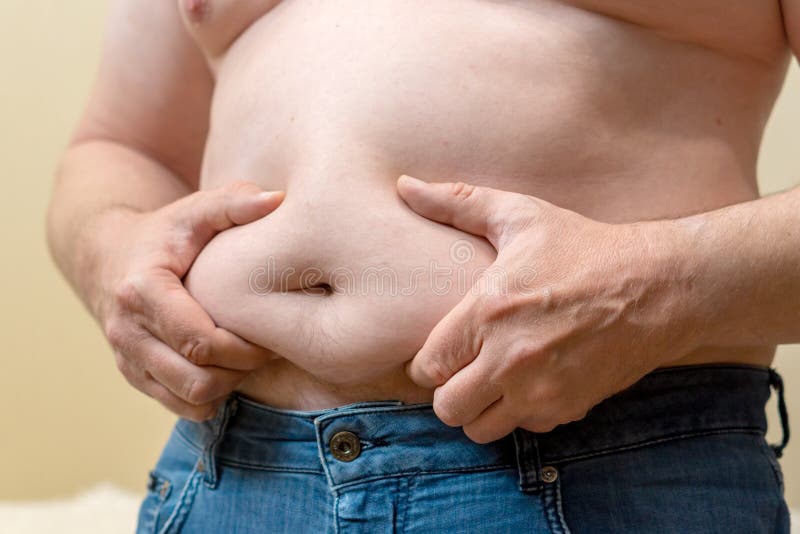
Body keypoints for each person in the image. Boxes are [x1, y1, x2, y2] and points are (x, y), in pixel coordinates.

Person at [47, 1, 800, 532]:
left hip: (595, 471)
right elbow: (122, 146)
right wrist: (110, 248)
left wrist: (656, 287)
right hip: (229, 474)